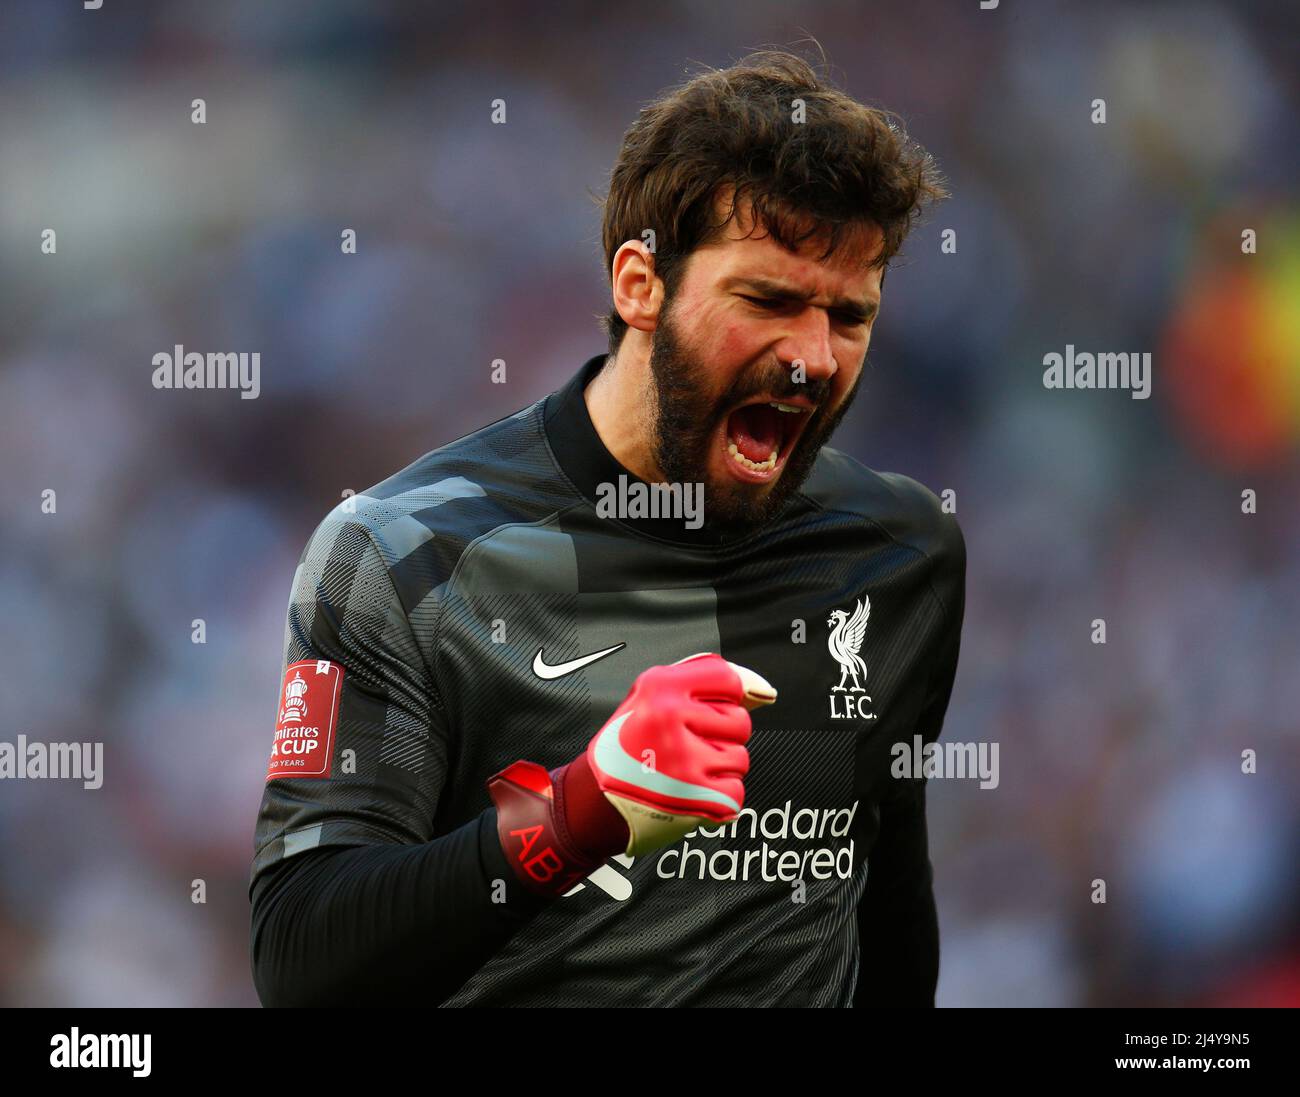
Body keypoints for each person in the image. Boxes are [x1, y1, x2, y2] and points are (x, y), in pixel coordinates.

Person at [249, 47, 964, 1007]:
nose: (813, 357)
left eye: (849, 315)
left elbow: (889, 929)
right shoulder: (406, 553)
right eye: (769, 301)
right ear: (639, 284)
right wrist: (582, 810)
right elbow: (305, 962)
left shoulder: (899, 553)